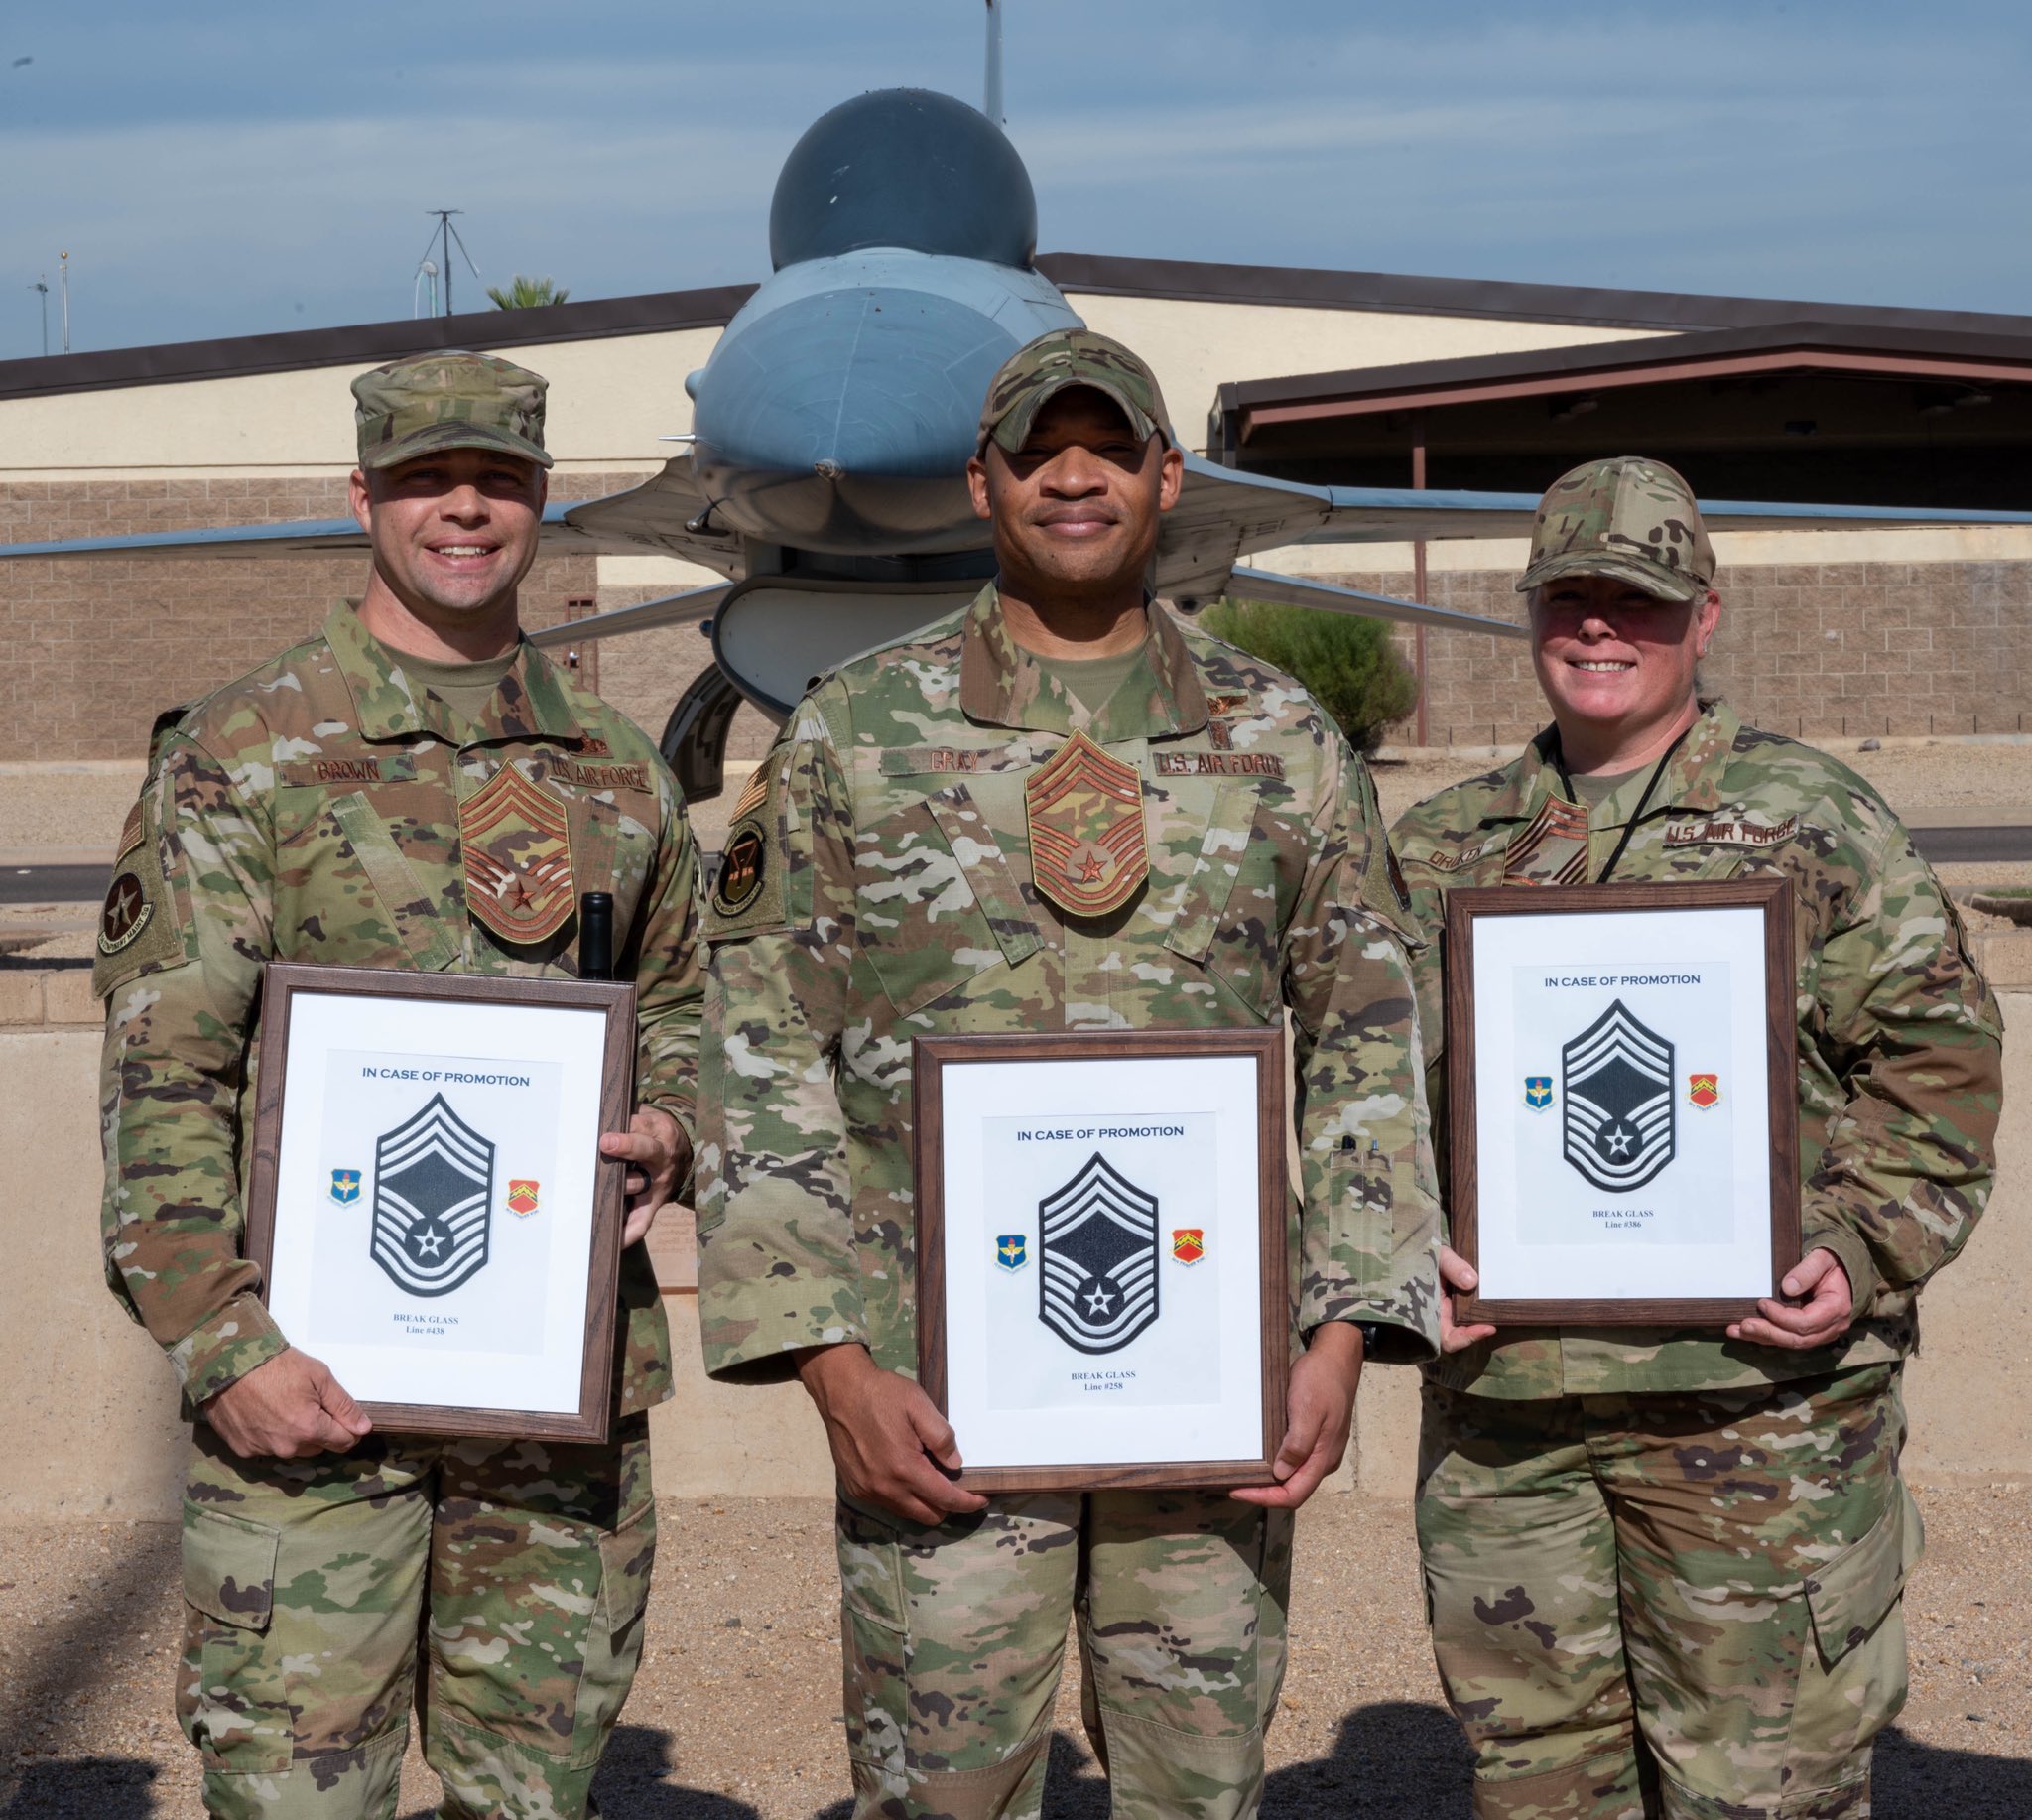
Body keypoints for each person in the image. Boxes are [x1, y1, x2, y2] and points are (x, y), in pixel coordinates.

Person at [694, 326, 1441, 1819]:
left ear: (1171, 478)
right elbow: (762, 1043)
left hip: (1206, 1390)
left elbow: (1365, 1032)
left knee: (1197, 1789)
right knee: (944, 1795)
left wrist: (1346, 1328)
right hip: (939, 1398)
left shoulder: (1279, 738)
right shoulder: (859, 731)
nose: (1075, 477)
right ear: (984, 482)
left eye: (1110, 448)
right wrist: (833, 1368)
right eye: (1040, 452)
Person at [94, 350, 701, 1820]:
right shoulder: (247, 755)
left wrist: (672, 1121)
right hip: (313, 1394)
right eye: (428, 478)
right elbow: (165, 1077)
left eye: (498, 479)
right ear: (364, 495)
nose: (465, 510)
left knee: (535, 1797)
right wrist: (222, 1346)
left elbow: (688, 1005)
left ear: (542, 499)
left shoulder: (620, 774)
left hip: (549, 1422)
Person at [1392, 455, 2004, 1820]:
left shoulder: (1815, 821)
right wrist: (1397, 1253)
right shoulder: (1443, 848)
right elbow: (1364, 1100)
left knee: (1763, 1793)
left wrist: (1858, 1244)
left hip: (1757, 1416)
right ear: (1530, 609)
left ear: (1705, 615)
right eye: (1573, 597)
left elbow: (1939, 1057)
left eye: (1641, 600)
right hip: (1514, 1429)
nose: (1603, 627)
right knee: (1543, 1786)